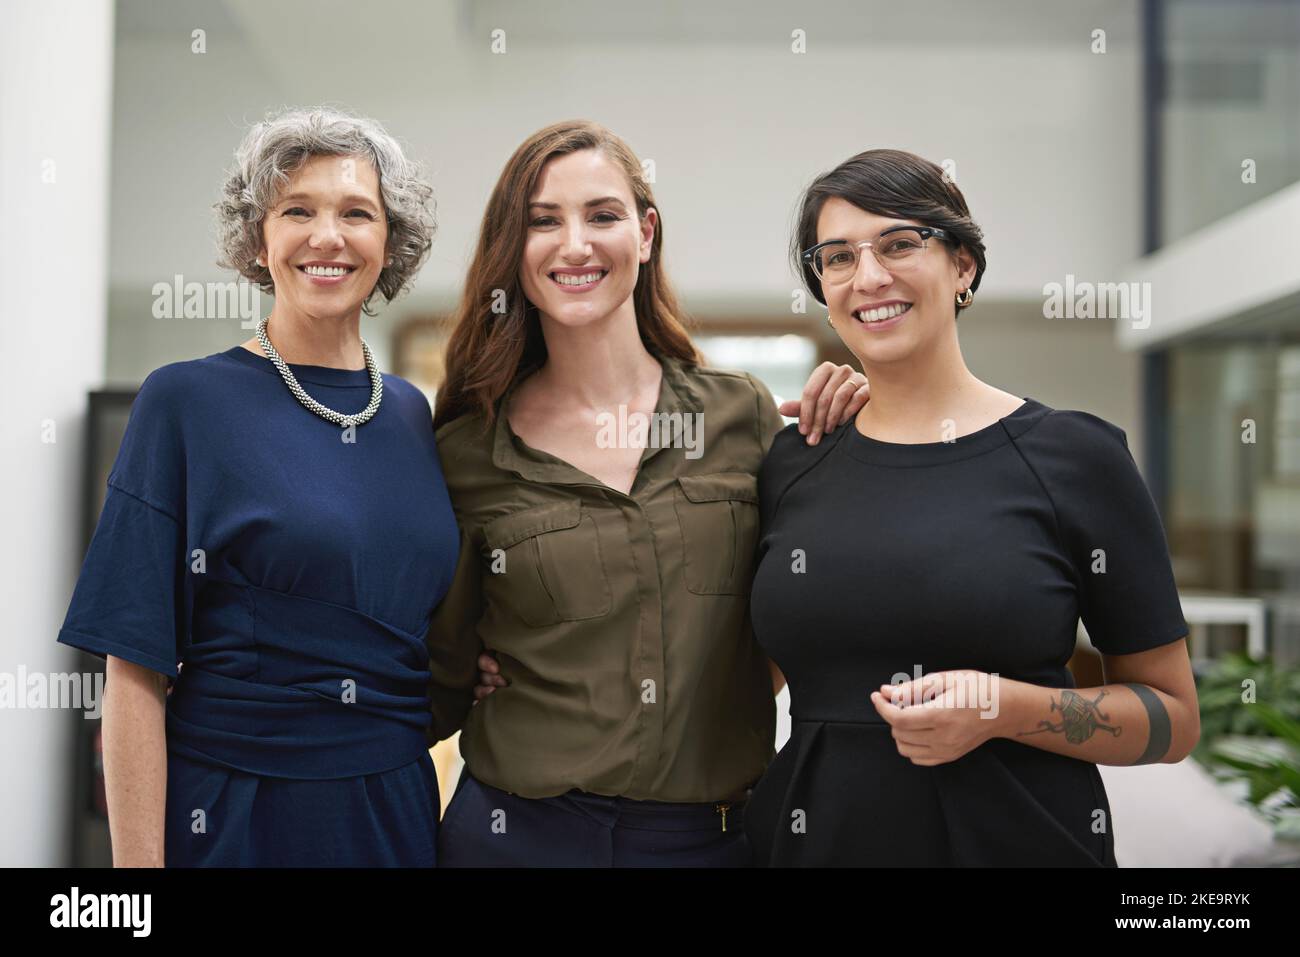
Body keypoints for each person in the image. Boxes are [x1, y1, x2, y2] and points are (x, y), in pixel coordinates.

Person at [743, 148, 1200, 867]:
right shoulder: (789, 463)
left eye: (899, 243)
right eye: (837, 258)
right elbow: (740, 681)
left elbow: (1171, 720)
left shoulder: (1075, 458)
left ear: (964, 266)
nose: (869, 277)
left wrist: (1004, 708)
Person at [430, 119, 869, 866]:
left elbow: (800, 619)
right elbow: (435, 670)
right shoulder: (466, 451)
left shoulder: (744, 417)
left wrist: (873, 413)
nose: (575, 245)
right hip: (516, 836)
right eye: (543, 222)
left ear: (646, 231)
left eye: (602, 215)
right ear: (516, 249)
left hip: (710, 842)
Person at [56, 107, 473, 866]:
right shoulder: (185, 402)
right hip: (236, 816)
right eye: (297, 211)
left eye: (356, 212)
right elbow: (131, 673)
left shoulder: (412, 413)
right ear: (257, 239)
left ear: (390, 242)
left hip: (396, 813)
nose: (328, 236)